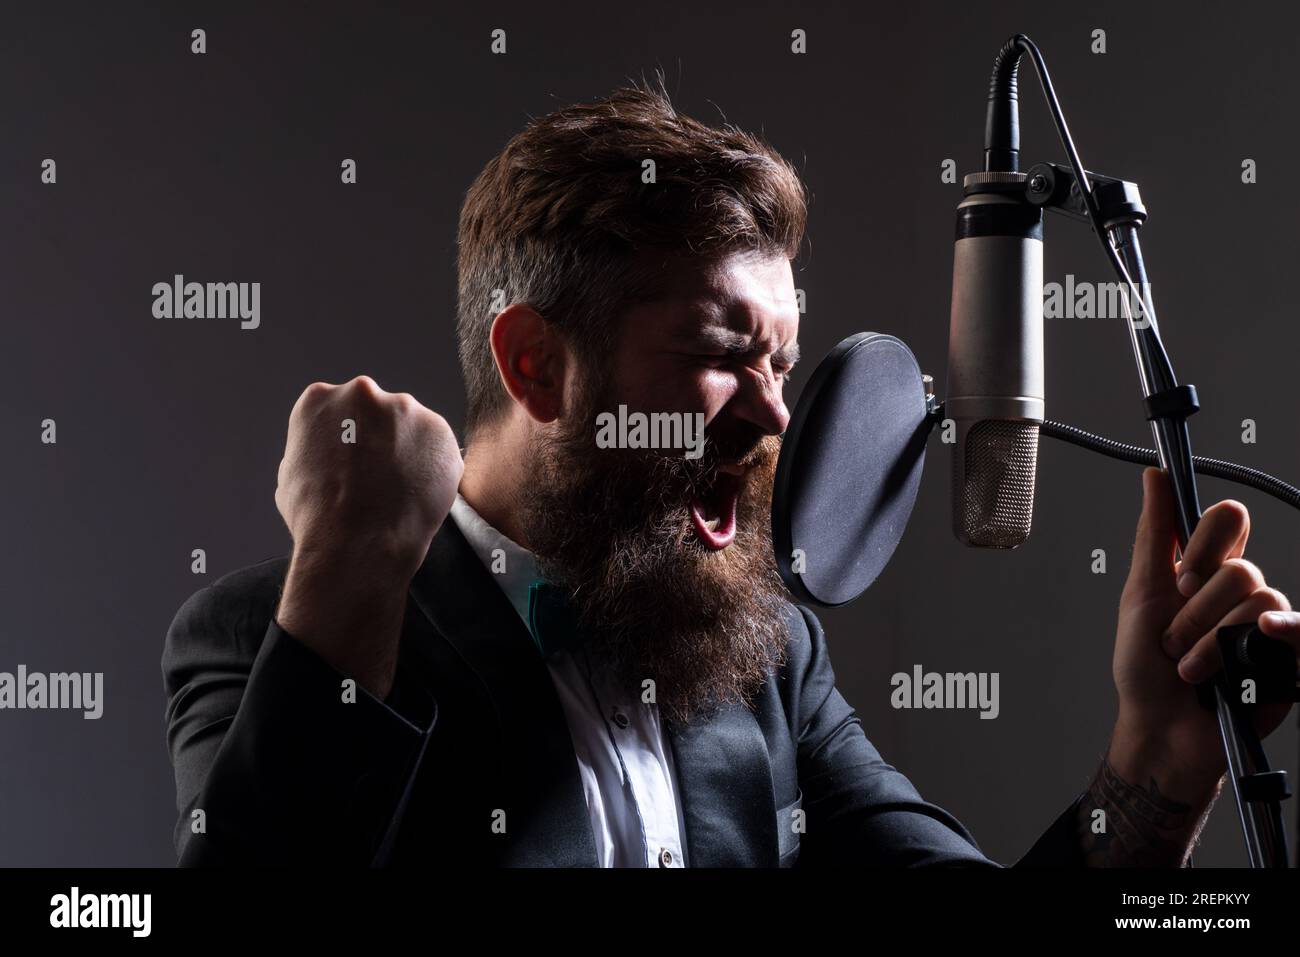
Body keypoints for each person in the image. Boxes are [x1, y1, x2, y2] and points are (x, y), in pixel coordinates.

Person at [162, 79, 1298, 868]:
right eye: (719, 356)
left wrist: (1157, 758)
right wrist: (352, 569)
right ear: (536, 363)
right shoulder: (276, 632)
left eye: (783, 362)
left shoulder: (768, 661)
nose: (774, 415)